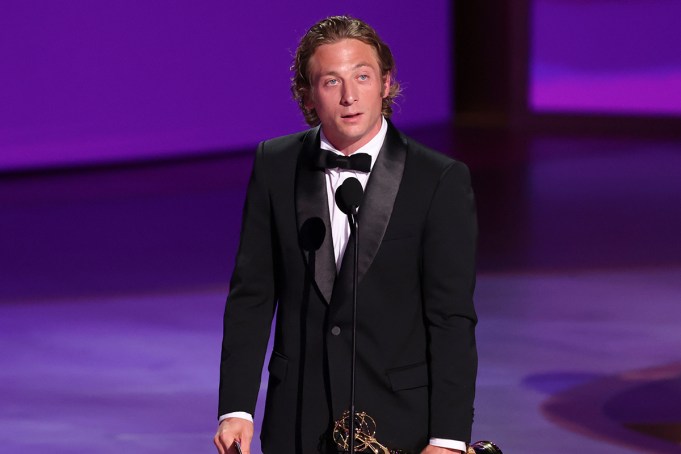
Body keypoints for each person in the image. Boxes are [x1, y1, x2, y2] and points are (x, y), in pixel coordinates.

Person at [214, 16, 477, 454]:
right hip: (297, 418)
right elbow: (252, 295)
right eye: (331, 82)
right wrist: (237, 407)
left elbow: (451, 318)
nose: (350, 96)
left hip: (398, 425)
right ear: (308, 95)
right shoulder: (276, 165)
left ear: (386, 84)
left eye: (362, 76)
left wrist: (448, 438)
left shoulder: (439, 179)